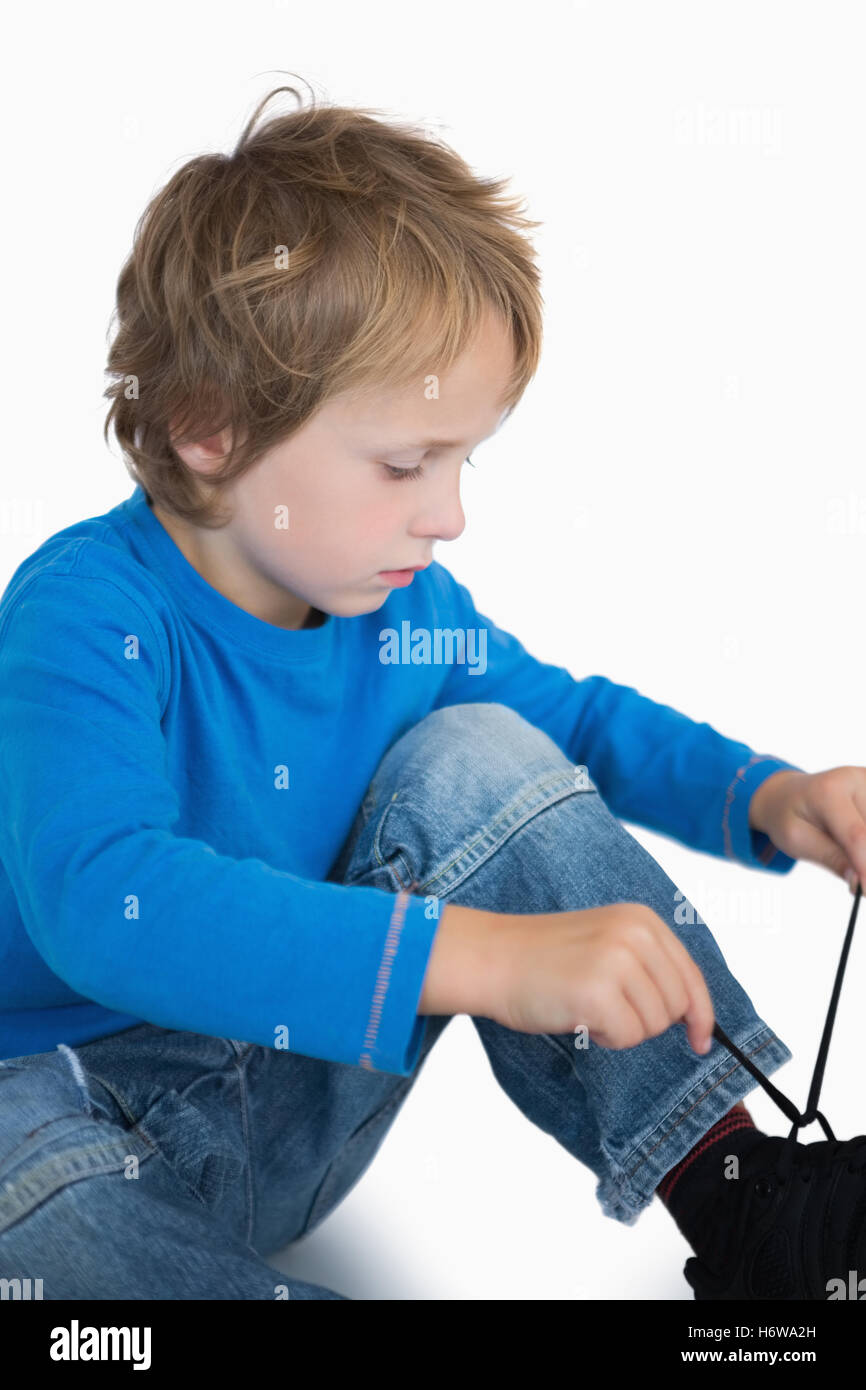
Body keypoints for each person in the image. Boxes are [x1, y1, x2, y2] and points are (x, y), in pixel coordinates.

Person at [1, 80, 865, 1302]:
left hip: (293, 1107)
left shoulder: (397, 614)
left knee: (481, 753)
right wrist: (479, 958)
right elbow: (108, 898)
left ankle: (743, 1202)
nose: (448, 514)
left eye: (462, 461)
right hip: (76, 1136)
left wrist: (767, 794)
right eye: (407, 463)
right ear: (208, 426)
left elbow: (569, 723)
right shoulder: (85, 617)